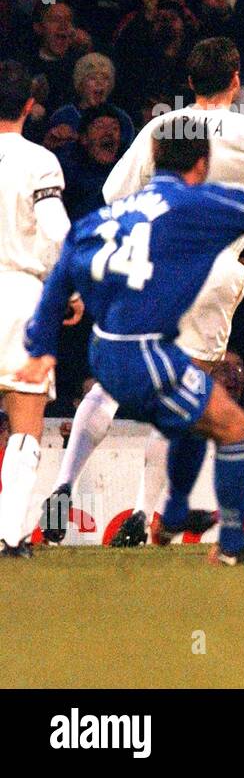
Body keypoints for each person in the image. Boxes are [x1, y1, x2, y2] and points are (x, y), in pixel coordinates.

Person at [39, 37, 244, 547]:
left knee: (112, 383)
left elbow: (115, 194)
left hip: (147, 266)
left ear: (189, 81)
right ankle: (144, 512)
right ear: (236, 78)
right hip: (213, 273)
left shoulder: (163, 128)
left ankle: (63, 485)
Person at [0, 61, 79, 558]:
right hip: (22, 297)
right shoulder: (39, 161)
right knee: (26, 426)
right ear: (29, 106)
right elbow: (58, 231)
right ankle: (9, 537)